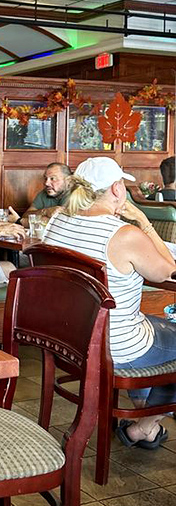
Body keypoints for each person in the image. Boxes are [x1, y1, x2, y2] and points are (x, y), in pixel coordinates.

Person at [42, 156, 176, 449]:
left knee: (160, 325)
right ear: (117, 189)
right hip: (114, 348)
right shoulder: (125, 235)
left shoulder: (57, 220)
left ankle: (144, 413)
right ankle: (144, 425)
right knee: (165, 330)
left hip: (69, 341)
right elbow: (169, 269)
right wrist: (143, 222)